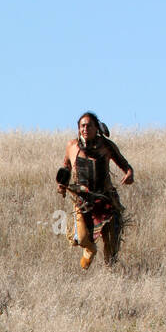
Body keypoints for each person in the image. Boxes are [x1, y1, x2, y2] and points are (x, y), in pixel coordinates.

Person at [57, 114, 134, 269]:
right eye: (82, 126)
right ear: (79, 128)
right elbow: (66, 167)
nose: (85, 129)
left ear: (97, 127)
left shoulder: (106, 146)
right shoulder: (72, 146)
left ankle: (110, 271)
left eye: (89, 125)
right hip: (83, 201)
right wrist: (62, 185)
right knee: (83, 238)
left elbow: (124, 164)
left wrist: (129, 173)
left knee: (112, 241)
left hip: (106, 200)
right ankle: (89, 250)